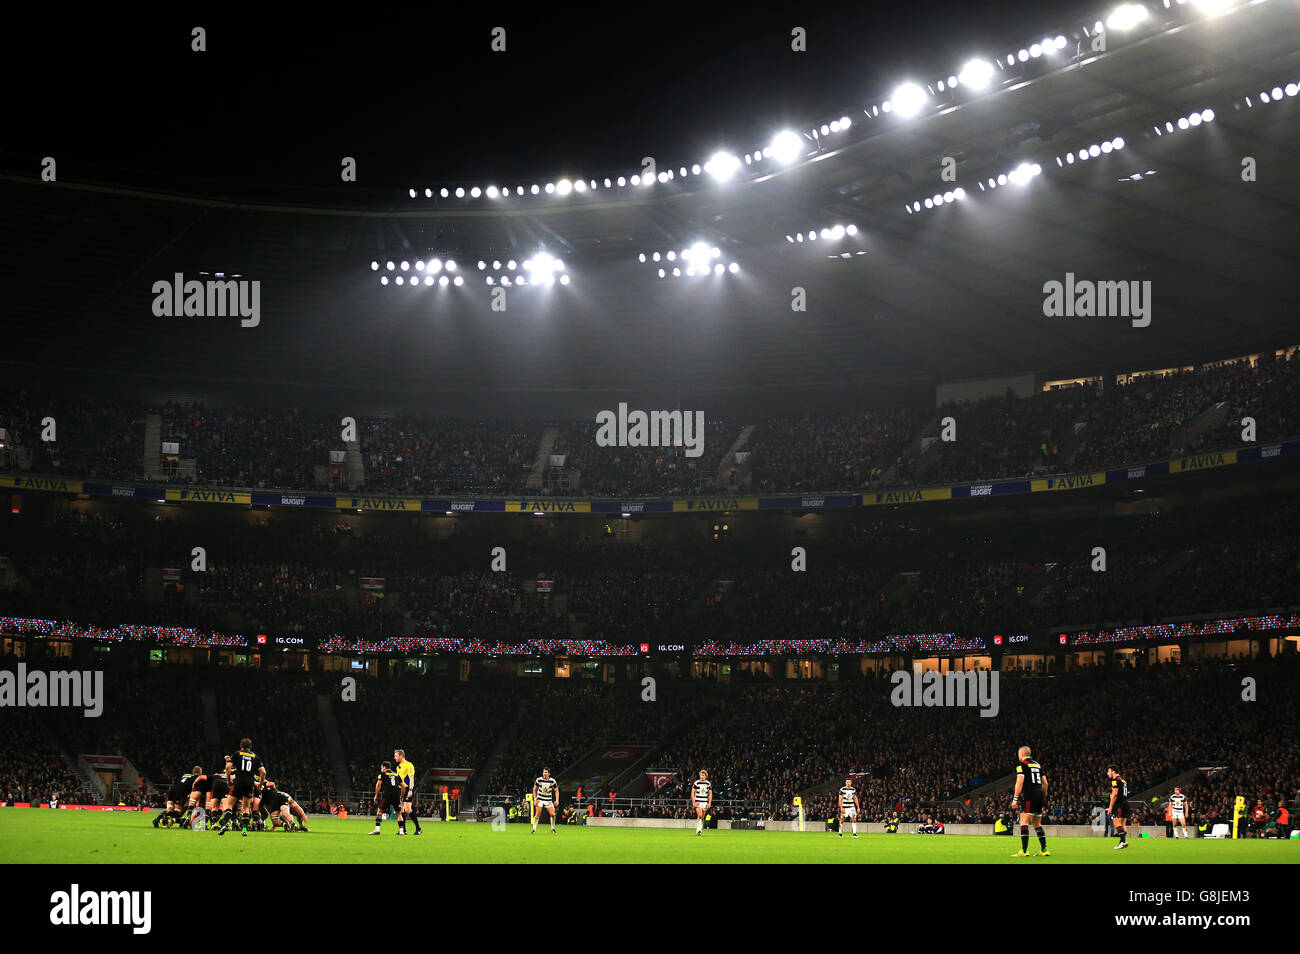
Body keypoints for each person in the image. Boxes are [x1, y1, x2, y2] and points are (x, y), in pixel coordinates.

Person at [1010, 745, 1050, 857]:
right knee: (1037, 824)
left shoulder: (1021, 765)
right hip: (1039, 795)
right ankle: (1044, 849)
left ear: (1022, 754)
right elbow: (1045, 783)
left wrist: (1015, 800)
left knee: (1024, 822)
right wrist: (1044, 795)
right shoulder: (1037, 765)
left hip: (1029, 795)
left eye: (1019, 754)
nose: (1018, 756)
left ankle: (1024, 851)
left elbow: (1020, 781)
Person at [370, 761, 403, 835]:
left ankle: (377, 830)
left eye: (381, 768)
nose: (381, 769)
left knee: (380, 811)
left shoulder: (382, 774)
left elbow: (378, 784)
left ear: (384, 767)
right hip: (396, 796)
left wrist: (376, 795)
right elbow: (403, 786)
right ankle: (401, 831)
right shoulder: (397, 774)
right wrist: (401, 796)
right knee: (398, 813)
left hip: (387, 795)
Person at [394, 749, 421, 835]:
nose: (395, 757)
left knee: (408, 809)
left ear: (401, 756)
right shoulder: (398, 767)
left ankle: (418, 829)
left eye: (396, 756)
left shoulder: (409, 765)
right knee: (401, 810)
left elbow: (411, 778)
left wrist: (410, 790)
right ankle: (403, 830)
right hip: (400, 790)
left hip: (407, 789)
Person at [1106, 767, 1130, 850]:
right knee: (1123, 824)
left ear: (1113, 771)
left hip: (1119, 805)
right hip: (1125, 803)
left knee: (1116, 823)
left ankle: (1123, 841)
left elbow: (1115, 794)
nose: (1107, 773)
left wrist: (1110, 806)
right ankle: (1123, 842)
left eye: (1108, 771)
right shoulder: (1123, 781)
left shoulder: (1115, 780)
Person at [532, 767, 560, 834]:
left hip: (548, 800)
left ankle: (553, 829)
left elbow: (556, 791)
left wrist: (557, 800)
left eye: (546, 772)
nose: (544, 773)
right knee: (538, 814)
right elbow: (535, 790)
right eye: (544, 772)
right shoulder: (539, 780)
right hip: (540, 799)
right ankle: (534, 829)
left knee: (553, 814)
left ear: (549, 774)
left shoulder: (552, 781)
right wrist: (535, 799)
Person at [690, 770, 712, 836]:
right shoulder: (697, 783)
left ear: (706, 776)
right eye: (701, 775)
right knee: (699, 814)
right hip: (698, 801)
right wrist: (694, 802)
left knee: (702, 817)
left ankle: (699, 829)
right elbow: (692, 793)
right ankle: (698, 830)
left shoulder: (708, 783)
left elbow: (710, 794)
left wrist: (709, 803)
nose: (702, 776)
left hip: (705, 802)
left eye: (703, 775)